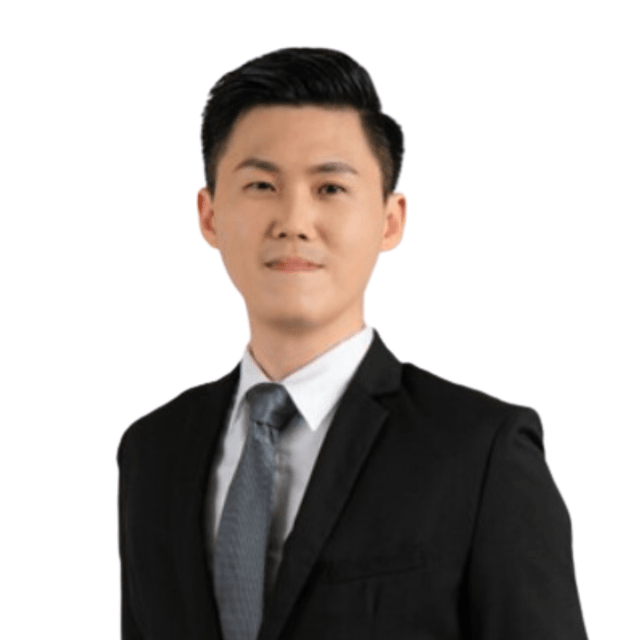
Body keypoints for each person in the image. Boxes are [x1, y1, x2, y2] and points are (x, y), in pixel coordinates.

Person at [117, 47, 589, 640]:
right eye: (261, 184)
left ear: (390, 220)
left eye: (330, 188)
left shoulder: (480, 452)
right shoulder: (153, 452)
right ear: (209, 215)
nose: (294, 221)